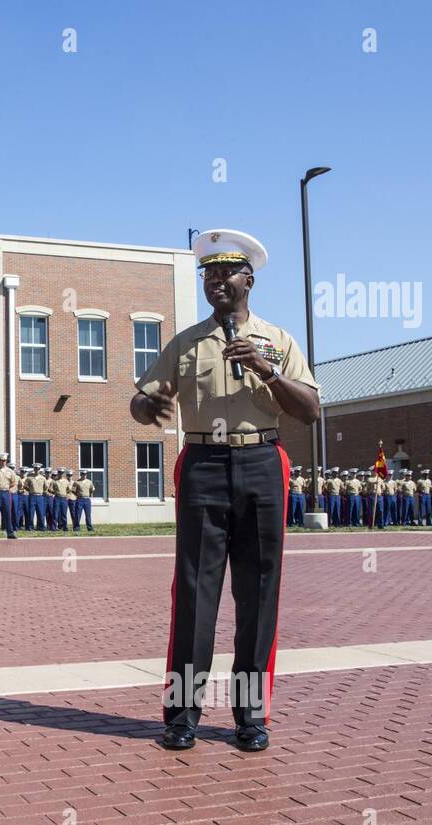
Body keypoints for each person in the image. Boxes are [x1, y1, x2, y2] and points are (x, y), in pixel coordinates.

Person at [131, 228, 319, 752]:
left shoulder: (278, 340)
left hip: (262, 460)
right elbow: (143, 397)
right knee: (194, 592)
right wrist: (149, 407)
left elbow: (309, 410)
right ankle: (182, 714)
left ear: (248, 279)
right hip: (203, 465)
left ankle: (250, 715)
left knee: (258, 594)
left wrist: (267, 370)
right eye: (208, 273)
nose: (215, 281)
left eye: (226, 272)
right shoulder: (186, 342)